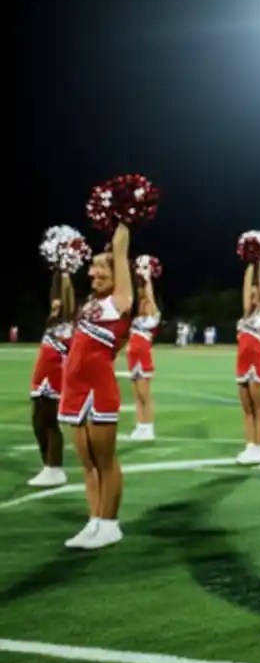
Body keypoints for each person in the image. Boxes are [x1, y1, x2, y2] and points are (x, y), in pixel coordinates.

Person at [60, 223, 133, 549]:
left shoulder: (119, 302)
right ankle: (94, 521)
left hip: (97, 390)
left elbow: (121, 247)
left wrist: (120, 225)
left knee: (105, 460)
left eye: (102, 269)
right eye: (93, 269)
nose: (94, 274)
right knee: (87, 461)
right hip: (74, 390)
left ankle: (110, 523)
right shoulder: (90, 305)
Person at [28, 271, 74, 487]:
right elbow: (56, 294)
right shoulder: (53, 321)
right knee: (38, 419)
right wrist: (56, 271)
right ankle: (47, 465)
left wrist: (64, 273)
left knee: (49, 420)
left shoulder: (67, 321)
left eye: (59, 303)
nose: (55, 304)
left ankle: (54, 467)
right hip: (43, 372)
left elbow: (65, 295)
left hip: (55, 372)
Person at [234, 260, 260, 465]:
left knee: (258, 406)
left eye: (255, 292)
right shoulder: (245, 316)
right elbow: (245, 289)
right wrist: (250, 263)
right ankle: (250, 446)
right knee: (246, 408)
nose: (251, 294)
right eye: (250, 292)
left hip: (255, 363)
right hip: (241, 362)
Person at [126, 260, 160, 441]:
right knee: (137, 395)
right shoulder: (136, 320)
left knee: (144, 394)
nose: (143, 303)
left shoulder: (153, 317)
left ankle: (149, 426)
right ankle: (140, 425)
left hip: (142, 357)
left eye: (145, 302)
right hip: (132, 356)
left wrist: (147, 280)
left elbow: (150, 296)